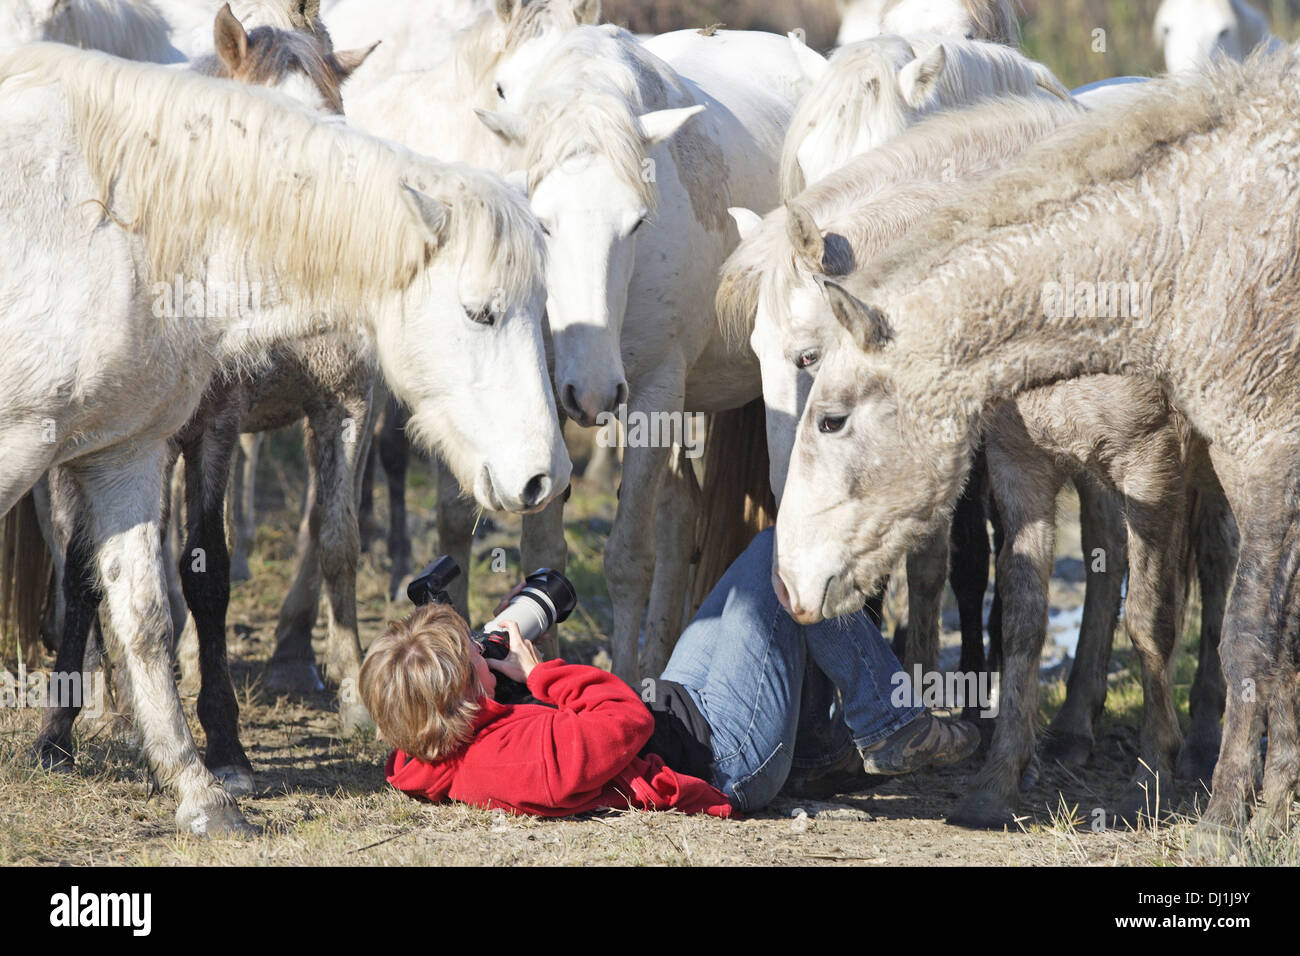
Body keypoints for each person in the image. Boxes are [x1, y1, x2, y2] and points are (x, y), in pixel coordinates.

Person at [359, 527, 979, 817]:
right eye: (474, 658)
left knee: (768, 549)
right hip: (726, 756)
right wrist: (540, 671)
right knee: (791, 553)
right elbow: (621, 724)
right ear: (463, 695)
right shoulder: (513, 762)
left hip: (681, 710)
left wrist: (507, 675)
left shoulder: (452, 737)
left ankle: (818, 751)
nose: (480, 650)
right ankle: (891, 723)